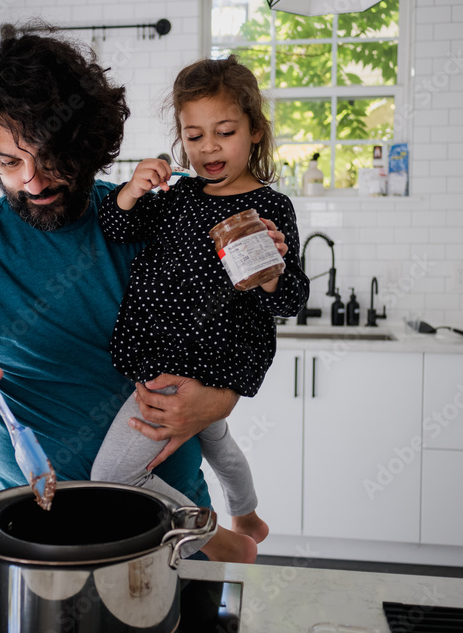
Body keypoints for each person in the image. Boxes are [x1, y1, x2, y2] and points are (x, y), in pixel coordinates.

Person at [0, 24, 254, 560]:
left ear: (83, 140)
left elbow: (232, 331)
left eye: (47, 155)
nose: (31, 181)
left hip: (169, 534)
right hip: (32, 534)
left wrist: (218, 398)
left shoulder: (149, 221)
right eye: (10, 162)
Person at [90, 55, 308, 560]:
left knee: (113, 476)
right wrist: (130, 192)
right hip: (168, 350)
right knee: (218, 440)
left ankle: (220, 542)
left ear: (254, 131)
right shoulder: (179, 195)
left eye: (225, 131)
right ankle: (247, 512)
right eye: (193, 136)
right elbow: (119, 229)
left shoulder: (271, 209)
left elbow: (292, 300)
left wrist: (274, 275)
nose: (208, 147)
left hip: (191, 359)